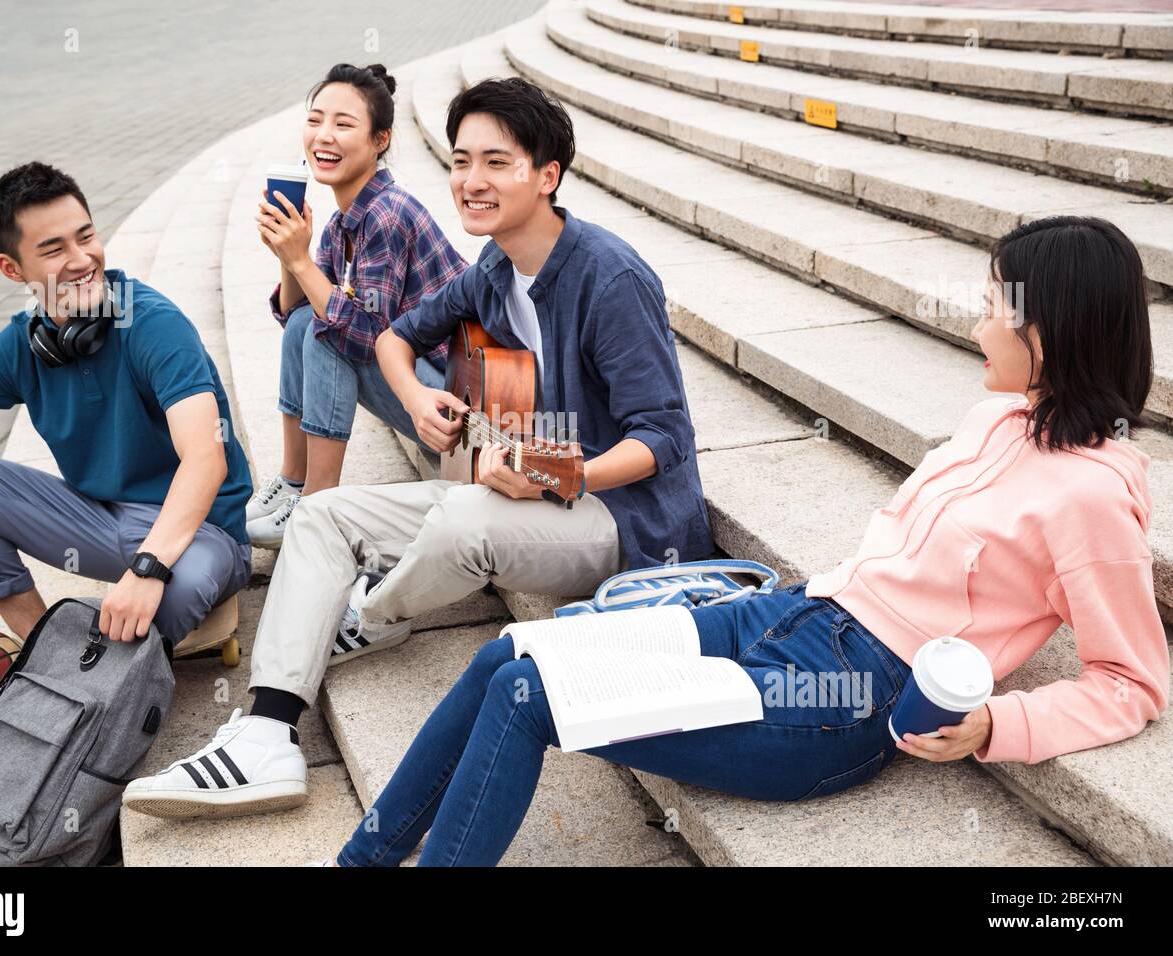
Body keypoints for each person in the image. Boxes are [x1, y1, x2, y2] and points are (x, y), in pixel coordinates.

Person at [315, 215, 1171, 866]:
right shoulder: (1000, 418)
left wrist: (995, 723)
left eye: (993, 310)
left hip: (844, 696)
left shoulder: (1093, 498)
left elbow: (1132, 682)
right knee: (505, 654)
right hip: (789, 615)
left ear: (1049, 331)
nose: (977, 325)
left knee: (530, 698)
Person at [121, 77, 713, 820]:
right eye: (462, 162)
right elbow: (396, 337)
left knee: (460, 521)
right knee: (322, 517)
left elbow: (665, 438)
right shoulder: (496, 267)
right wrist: (417, 397)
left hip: (621, 518)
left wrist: (556, 473)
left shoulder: (609, 275)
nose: (471, 181)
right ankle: (266, 734)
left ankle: (373, 611)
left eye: (497, 163)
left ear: (548, 176)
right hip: (514, 488)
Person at [0, 162, 254, 669]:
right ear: (12, 270)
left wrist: (148, 569)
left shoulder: (154, 324)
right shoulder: (19, 345)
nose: (83, 259)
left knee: (184, 581)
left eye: (86, 236)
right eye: (54, 249)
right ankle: (47, 650)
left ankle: (103, 673)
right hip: (101, 521)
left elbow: (206, 459)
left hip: (203, 534)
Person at [245, 62, 467, 548]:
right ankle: (293, 481)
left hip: (451, 404)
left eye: (343, 124)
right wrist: (289, 255)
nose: (323, 135)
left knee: (330, 335)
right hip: (418, 384)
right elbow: (293, 313)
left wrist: (302, 260)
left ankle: (317, 505)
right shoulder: (345, 217)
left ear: (380, 140)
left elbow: (363, 335)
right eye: (315, 119)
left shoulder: (386, 215)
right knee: (309, 320)